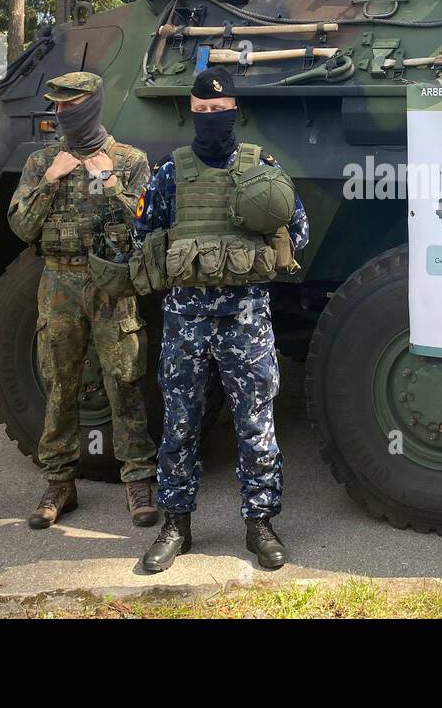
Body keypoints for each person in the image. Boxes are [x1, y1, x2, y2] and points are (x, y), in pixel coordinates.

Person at [133, 66, 308, 571]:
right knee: (180, 425)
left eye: (220, 110)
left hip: (246, 318)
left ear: (235, 111)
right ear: (192, 113)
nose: (211, 118)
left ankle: (260, 525)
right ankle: (175, 526)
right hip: (186, 319)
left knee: (256, 424)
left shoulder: (263, 170)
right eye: (202, 111)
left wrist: (255, 251)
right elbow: (143, 236)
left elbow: (297, 233)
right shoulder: (169, 172)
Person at [8, 72, 159, 528]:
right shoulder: (41, 162)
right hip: (59, 284)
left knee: (125, 381)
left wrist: (110, 184)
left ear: (91, 106)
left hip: (111, 285)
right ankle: (58, 482)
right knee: (59, 383)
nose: (60, 114)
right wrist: (51, 180)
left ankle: (138, 481)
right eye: (56, 107)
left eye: (69, 106)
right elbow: (21, 228)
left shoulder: (130, 160)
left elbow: (145, 226)